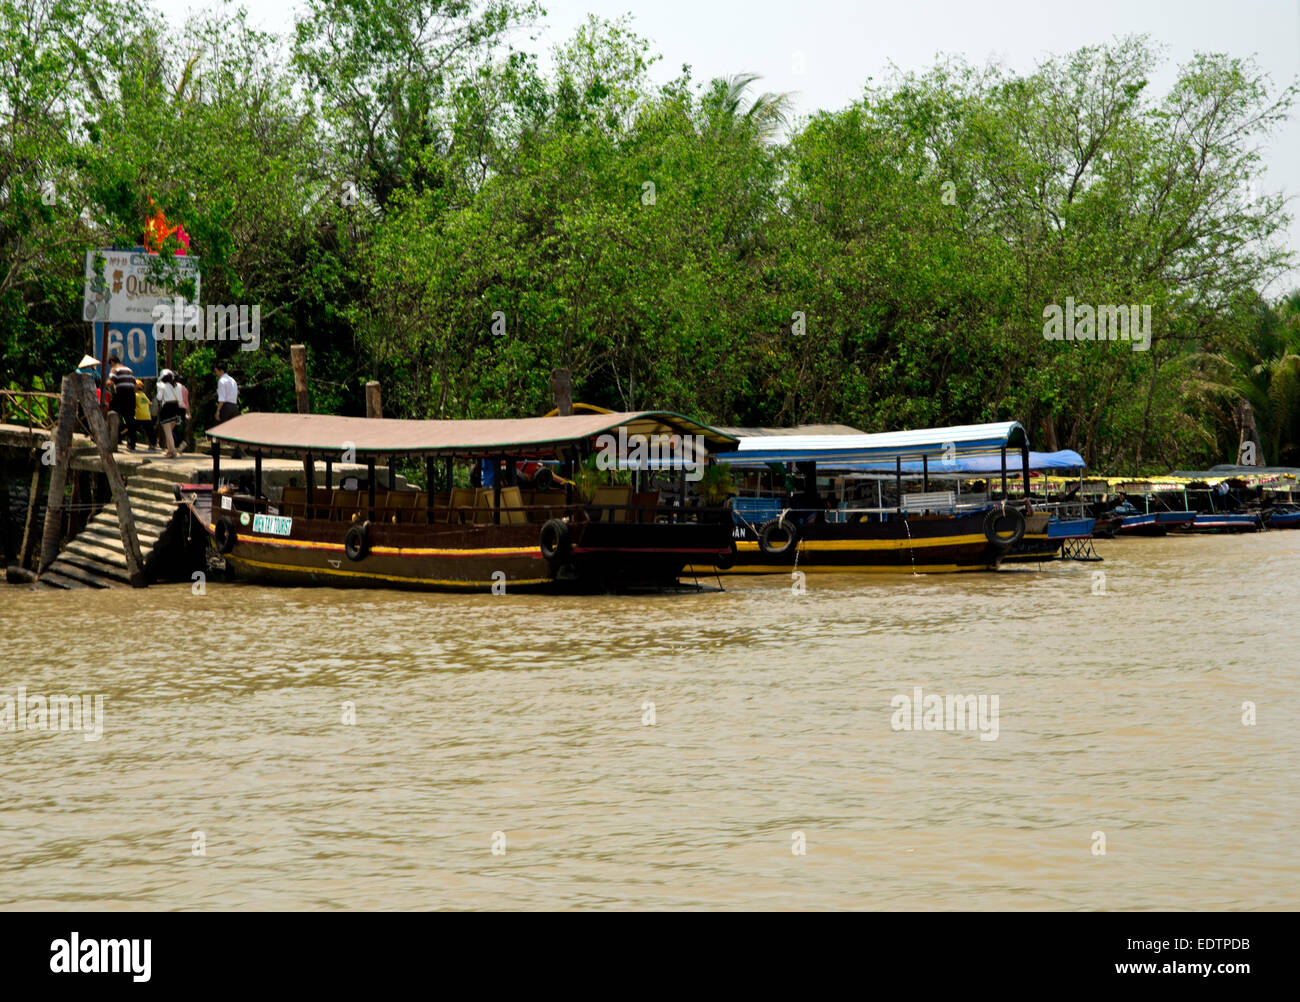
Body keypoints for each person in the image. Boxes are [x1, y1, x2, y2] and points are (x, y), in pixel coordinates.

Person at [108, 355, 138, 450]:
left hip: (121, 394)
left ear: (112, 362)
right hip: (131, 395)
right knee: (130, 418)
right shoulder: (129, 369)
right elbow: (135, 386)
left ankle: (115, 438)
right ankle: (132, 443)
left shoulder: (115, 369)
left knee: (111, 413)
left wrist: (102, 385)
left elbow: (110, 382)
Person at [215, 360, 242, 457]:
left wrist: (218, 411)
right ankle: (237, 451)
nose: (216, 374)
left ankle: (215, 450)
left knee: (217, 428)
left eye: (216, 371)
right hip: (234, 406)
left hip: (225, 406)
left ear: (221, 371)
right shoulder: (232, 380)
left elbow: (222, 398)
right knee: (234, 429)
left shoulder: (221, 381)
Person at [156, 370, 182, 458]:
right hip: (176, 407)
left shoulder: (161, 385)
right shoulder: (177, 385)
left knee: (168, 432)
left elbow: (159, 397)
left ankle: (173, 451)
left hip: (167, 407)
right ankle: (169, 451)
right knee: (169, 432)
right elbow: (180, 399)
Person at [134, 379, 157, 451]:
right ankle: (153, 444)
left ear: (136, 387)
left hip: (138, 416)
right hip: (147, 416)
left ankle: (131, 443)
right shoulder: (143, 395)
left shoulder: (135, 395)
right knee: (150, 431)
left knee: (132, 430)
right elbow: (149, 403)